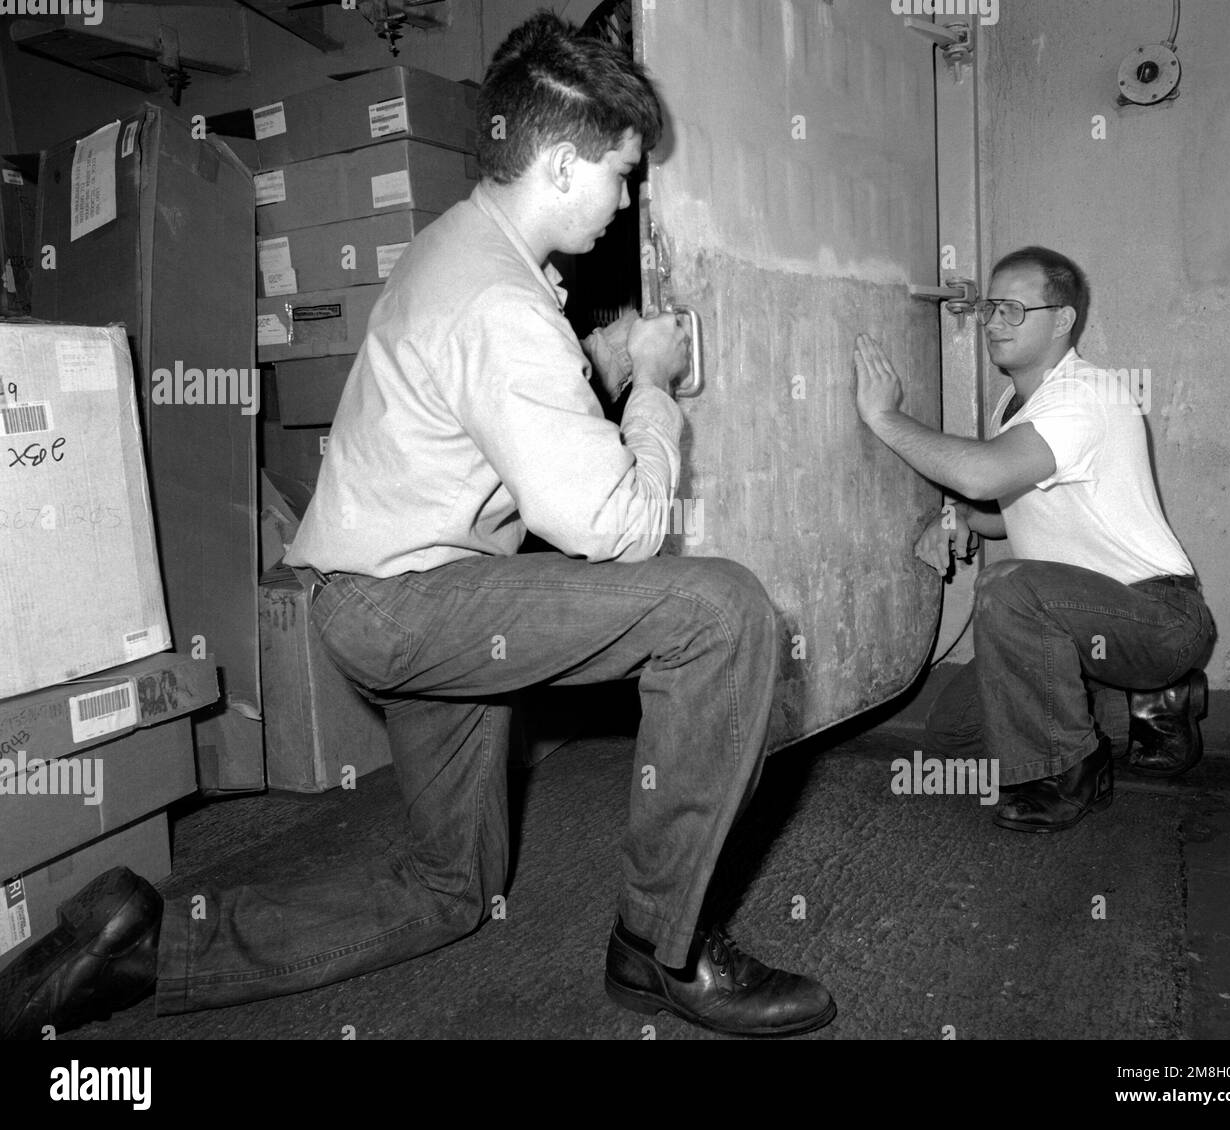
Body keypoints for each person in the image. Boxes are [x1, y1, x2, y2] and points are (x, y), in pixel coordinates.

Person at [0, 11, 835, 1041]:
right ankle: (663, 947)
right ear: (566, 166)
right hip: (412, 603)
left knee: (452, 884)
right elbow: (616, 525)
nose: (626, 200)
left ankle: (137, 948)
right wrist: (655, 390)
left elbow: (490, 407)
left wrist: (603, 365)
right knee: (725, 611)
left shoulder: (462, 249)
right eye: (622, 173)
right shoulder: (500, 302)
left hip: (388, 598)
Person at [854, 246, 1214, 832]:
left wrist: (883, 418)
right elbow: (1008, 510)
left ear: (1063, 320)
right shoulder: (1014, 406)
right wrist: (960, 519)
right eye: (991, 307)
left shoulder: (1082, 395)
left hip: (1158, 614)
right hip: (1083, 623)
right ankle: (1154, 702)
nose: (994, 322)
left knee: (1008, 588)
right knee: (955, 731)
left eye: (1014, 309)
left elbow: (984, 474)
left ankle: (1073, 772)